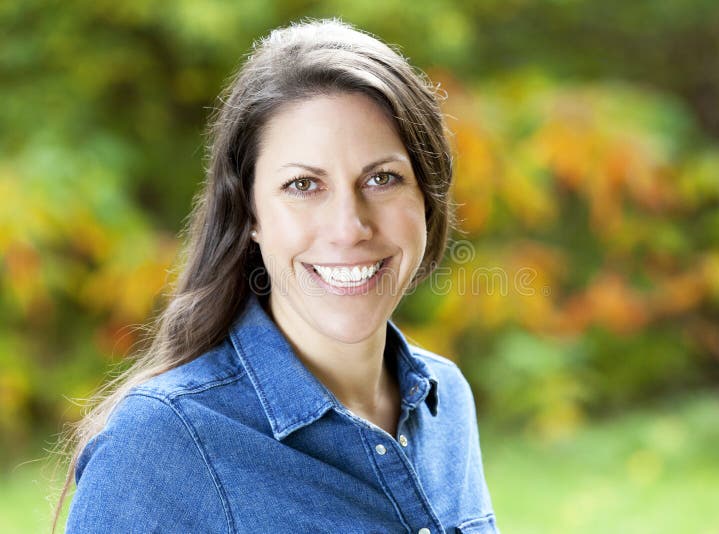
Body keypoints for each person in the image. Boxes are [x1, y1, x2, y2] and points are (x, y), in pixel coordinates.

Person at [57, 18, 497, 533]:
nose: (349, 227)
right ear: (251, 215)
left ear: (427, 196)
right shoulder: (162, 443)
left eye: (382, 178)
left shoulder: (446, 398)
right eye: (304, 184)